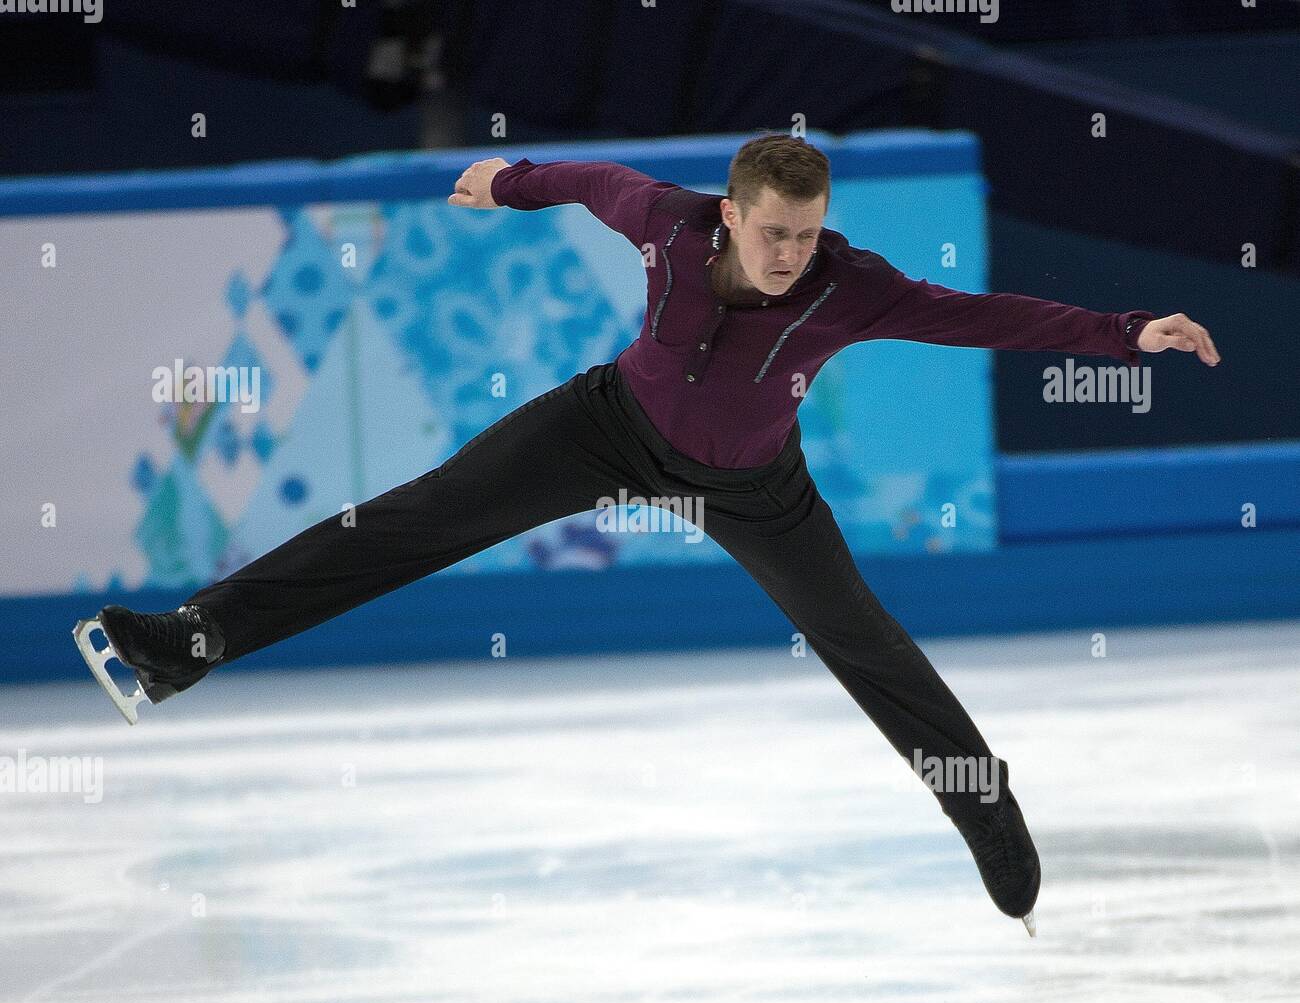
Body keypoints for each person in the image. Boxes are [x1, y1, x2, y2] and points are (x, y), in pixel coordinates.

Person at [75, 133, 1220, 934]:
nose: (790, 252)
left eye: (806, 232)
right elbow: (595, 181)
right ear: (731, 214)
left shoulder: (848, 285)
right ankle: (194, 638)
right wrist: (510, 181)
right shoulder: (669, 225)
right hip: (607, 427)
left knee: (862, 641)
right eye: (773, 232)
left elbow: (979, 316)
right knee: (415, 516)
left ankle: (987, 812)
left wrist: (1125, 332)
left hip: (755, 484)